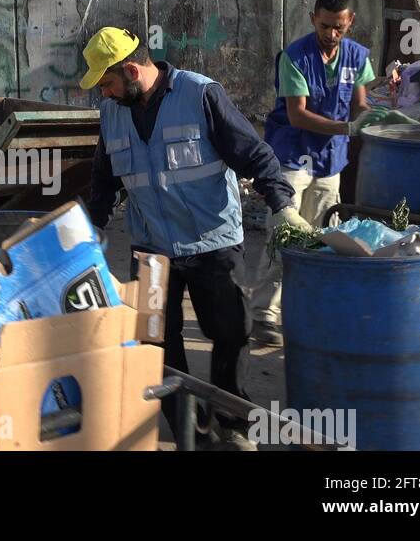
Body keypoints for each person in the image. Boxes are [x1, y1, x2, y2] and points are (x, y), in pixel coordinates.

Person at [82, 26, 302, 447]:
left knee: (231, 334)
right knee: (156, 344)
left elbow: (253, 154)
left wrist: (283, 206)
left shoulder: (200, 95)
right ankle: (192, 430)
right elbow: (104, 177)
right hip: (151, 254)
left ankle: (231, 423)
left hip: (213, 244)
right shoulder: (111, 113)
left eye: (107, 83)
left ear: (131, 70)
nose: (104, 94)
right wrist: (93, 225)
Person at [249, 0, 381, 346]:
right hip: (292, 157)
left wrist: (373, 117)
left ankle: (312, 309)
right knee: (284, 233)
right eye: (325, 26)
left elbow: (360, 104)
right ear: (312, 19)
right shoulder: (294, 57)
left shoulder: (357, 57)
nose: (332, 34)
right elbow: (297, 114)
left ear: (350, 22)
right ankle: (264, 314)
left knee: (324, 236)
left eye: (339, 27)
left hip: (329, 160)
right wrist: (346, 128)